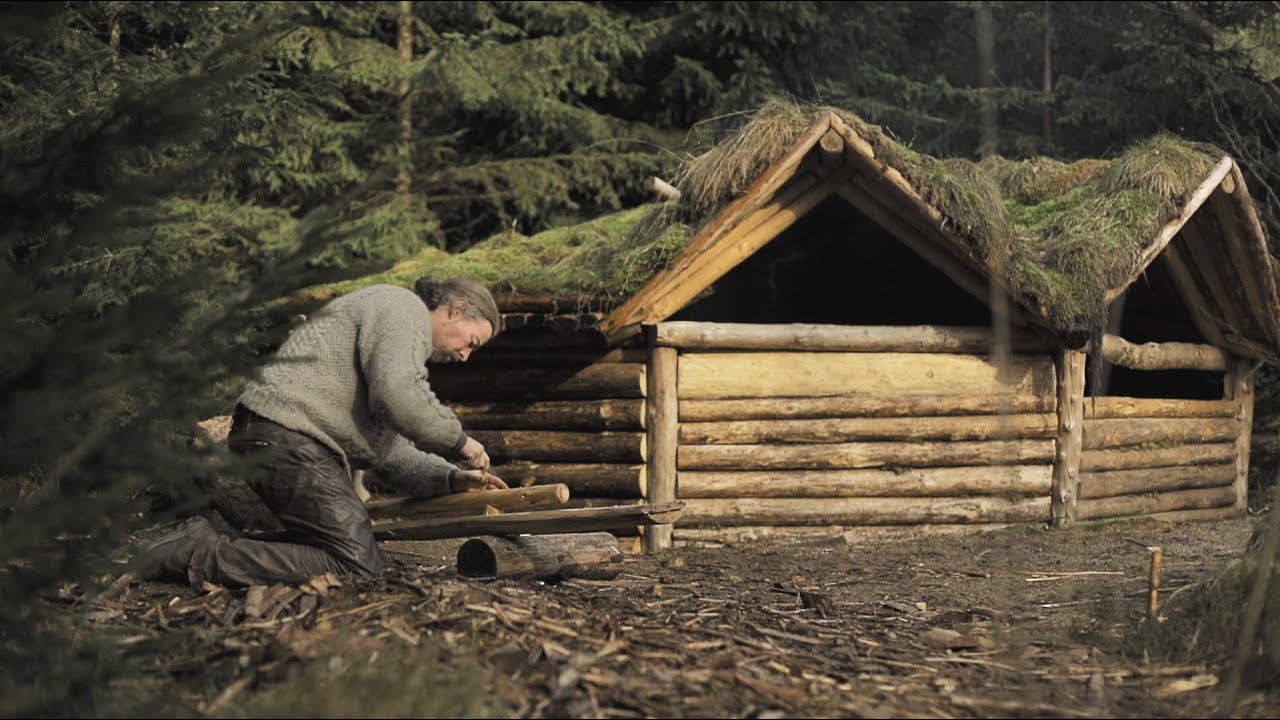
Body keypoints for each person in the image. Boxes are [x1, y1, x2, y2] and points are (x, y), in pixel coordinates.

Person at [131, 276, 509, 587]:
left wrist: (452, 478)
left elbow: (390, 452)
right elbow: (400, 395)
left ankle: (207, 544)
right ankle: (194, 554)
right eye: (471, 342)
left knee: (335, 549)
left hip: (277, 436)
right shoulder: (402, 307)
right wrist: (460, 442)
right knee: (356, 564)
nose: (465, 356)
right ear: (455, 310)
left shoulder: (383, 344)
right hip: (287, 437)